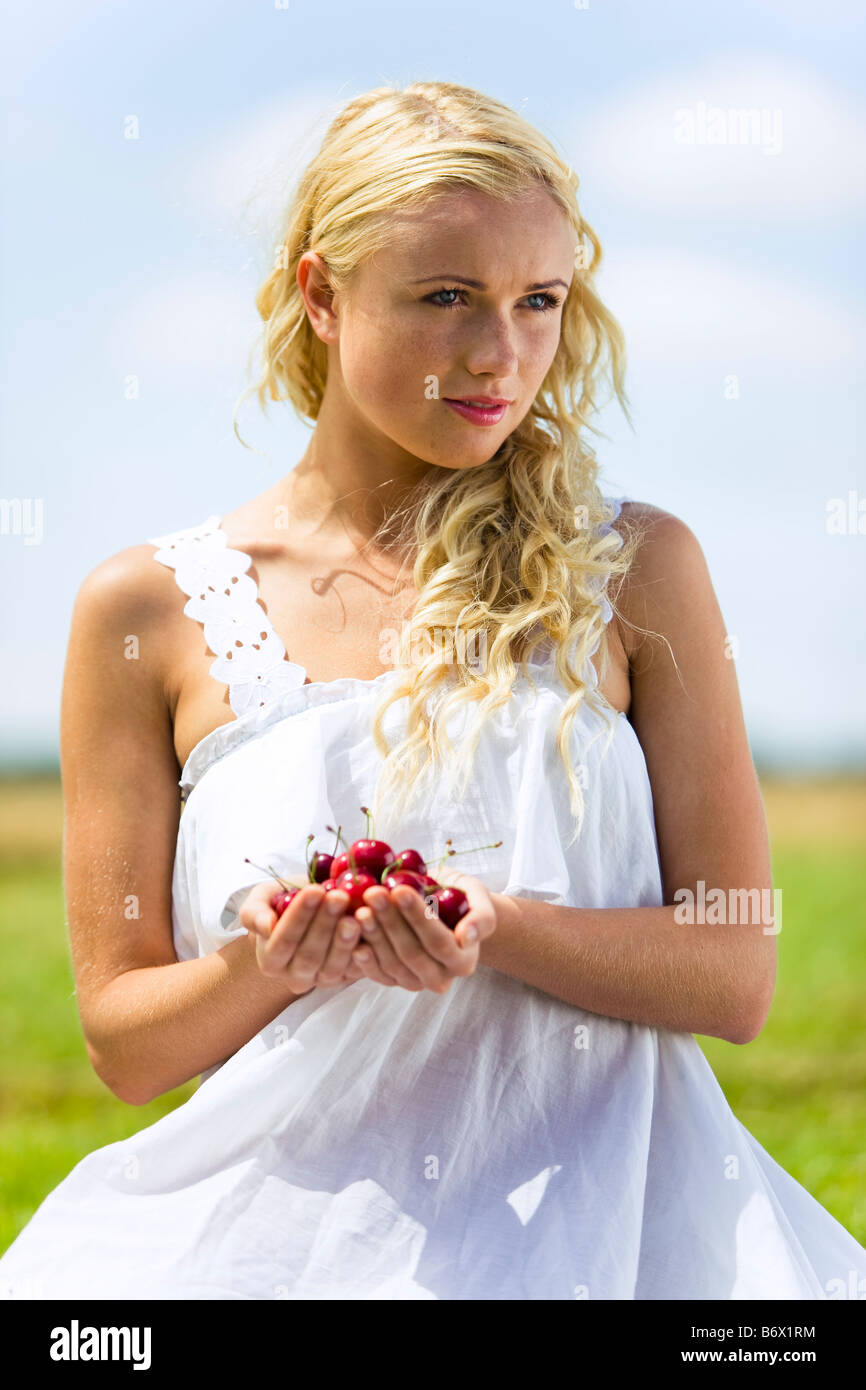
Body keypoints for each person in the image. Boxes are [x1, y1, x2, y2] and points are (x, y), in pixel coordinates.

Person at [1, 79, 863, 1301]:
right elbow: (126, 1045)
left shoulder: (636, 567)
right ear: (319, 294)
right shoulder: (143, 608)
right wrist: (283, 961)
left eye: (538, 301)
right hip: (268, 1248)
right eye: (444, 297)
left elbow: (734, 973)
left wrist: (497, 926)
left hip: (617, 1239)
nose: (498, 355)